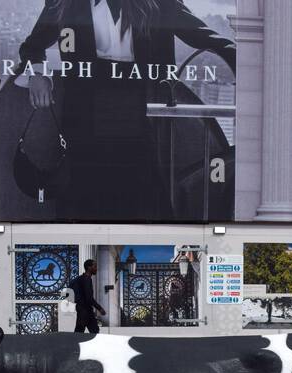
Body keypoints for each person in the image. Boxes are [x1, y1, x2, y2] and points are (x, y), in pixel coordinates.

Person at [17, 0, 237, 221]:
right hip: (85, 110)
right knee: (83, 190)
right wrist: (37, 74)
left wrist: (244, 62)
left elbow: (202, 35)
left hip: (137, 107)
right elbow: (32, 46)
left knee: (139, 191)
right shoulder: (65, 2)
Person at [69, 259, 106, 334]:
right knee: (81, 332)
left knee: (91, 331)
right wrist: (100, 308)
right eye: (94, 266)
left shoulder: (81, 278)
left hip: (84, 309)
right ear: (89, 267)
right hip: (85, 310)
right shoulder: (86, 279)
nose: (96, 268)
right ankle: (73, 344)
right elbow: (89, 298)